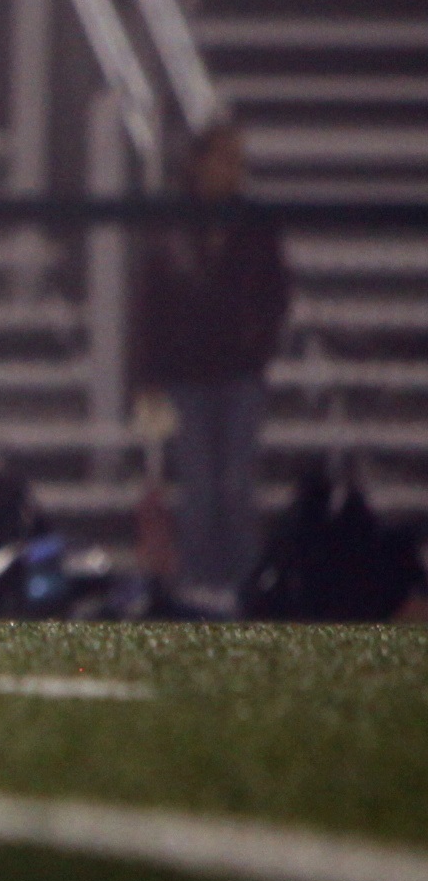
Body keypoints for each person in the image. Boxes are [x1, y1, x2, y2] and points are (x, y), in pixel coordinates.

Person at [135, 116, 289, 602]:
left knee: (236, 485)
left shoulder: (254, 224)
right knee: (199, 486)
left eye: (238, 161)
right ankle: (200, 586)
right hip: (186, 377)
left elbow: (276, 294)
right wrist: (147, 377)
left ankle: (241, 587)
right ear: (198, 163)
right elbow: (150, 304)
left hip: (238, 374)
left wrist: (256, 346)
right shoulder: (172, 224)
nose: (233, 170)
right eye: (224, 159)